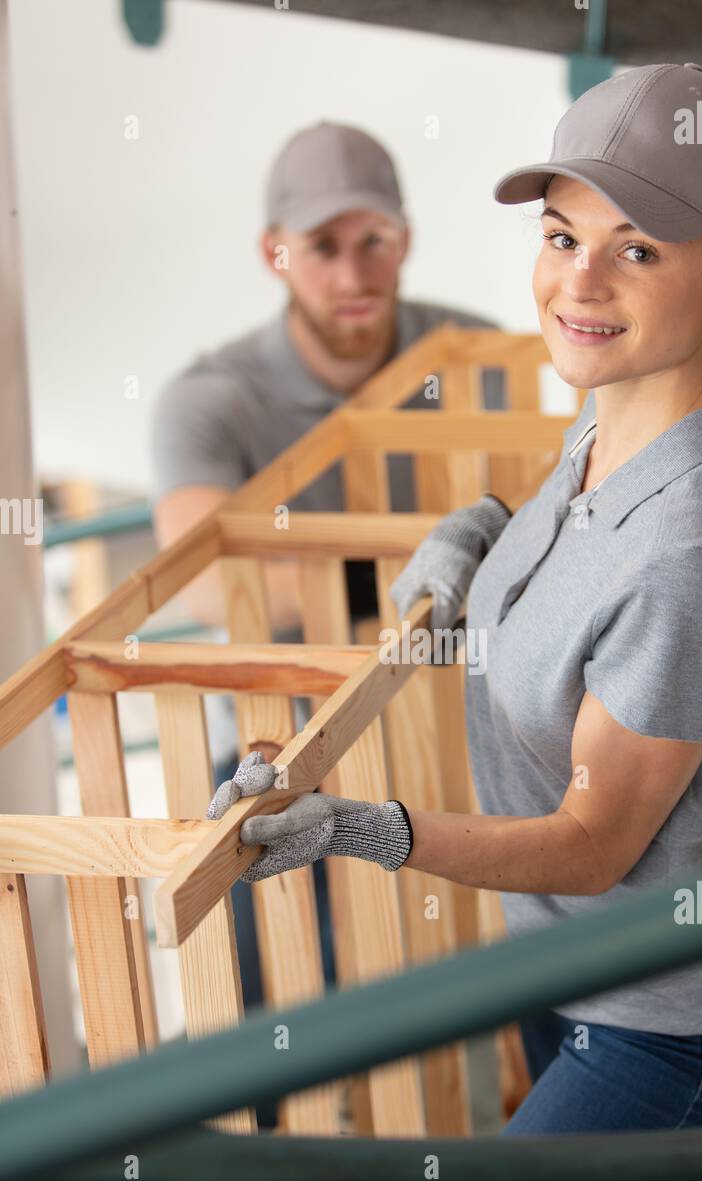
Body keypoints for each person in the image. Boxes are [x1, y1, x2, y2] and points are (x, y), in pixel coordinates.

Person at [207, 62, 702, 1181]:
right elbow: (570, 537)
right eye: (560, 235)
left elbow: (589, 839)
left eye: (636, 249)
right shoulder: (616, 418)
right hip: (570, 966)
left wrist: (357, 827)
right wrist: (478, 532)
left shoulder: (696, 554)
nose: (576, 282)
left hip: (675, 1021)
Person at [150, 122, 505, 1105]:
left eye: (373, 239)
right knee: (267, 942)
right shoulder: (208, 399)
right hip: (287, 725)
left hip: (449, 726)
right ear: (275, 253)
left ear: (406, 237)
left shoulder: (469, 357)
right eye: (320, 245)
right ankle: (256, 1152)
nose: (353, 270)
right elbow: (203, 580)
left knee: (451, 951)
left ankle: (439, 1120)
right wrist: (409, 594)